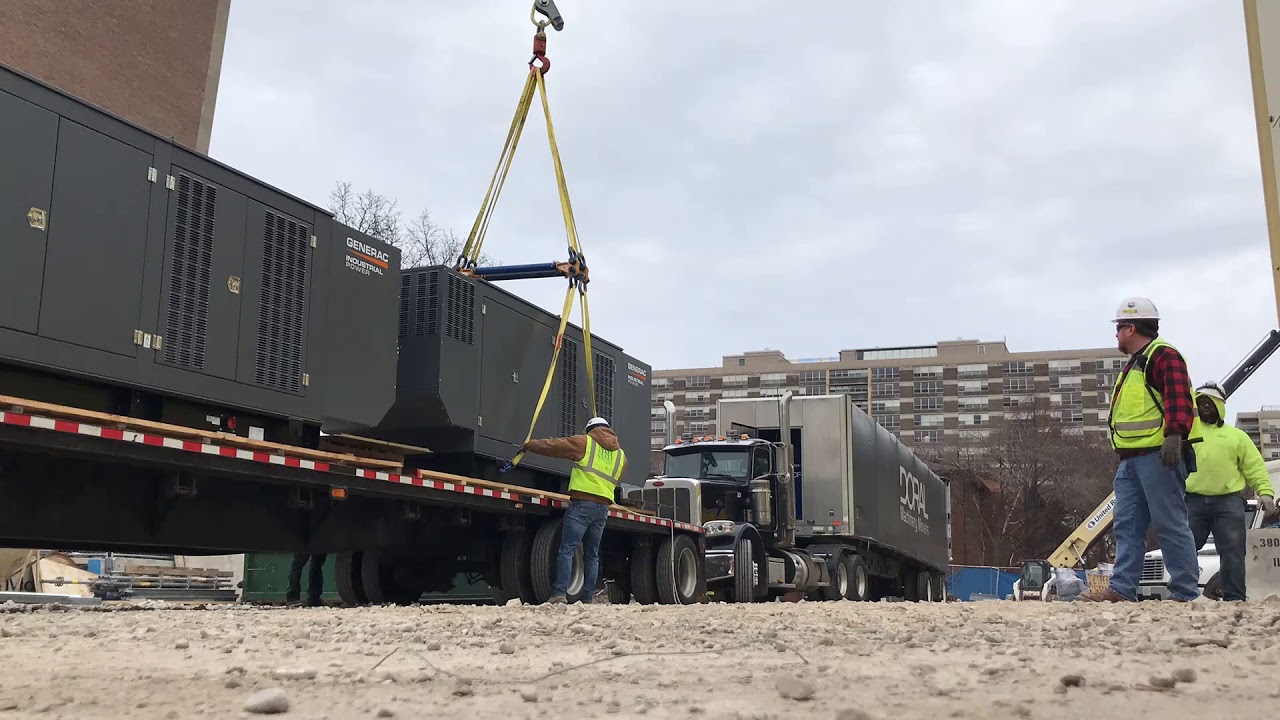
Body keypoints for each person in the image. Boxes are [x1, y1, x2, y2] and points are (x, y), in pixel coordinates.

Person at [1080, 297, 1203, 603]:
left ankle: (1185, 592)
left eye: (1119, 328)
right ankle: (1121, 589)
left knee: (1169, 523)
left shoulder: (1162, 356)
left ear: (1131, 327)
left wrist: (1175, 435)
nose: (1116, 334)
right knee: (1127, 526)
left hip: (1159, 456)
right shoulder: (1138, 362)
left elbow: (1178, 398)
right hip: (1132, 460)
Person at [1184, 381, 1275, 601]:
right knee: (1184, 549)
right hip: (1191, 501)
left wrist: (1265, 492)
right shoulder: (1186, 432)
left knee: (1233, 552)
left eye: (1211, 402)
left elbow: (1255, 466)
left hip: (1228, 503)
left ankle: (1234, 599)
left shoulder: (1237, 437)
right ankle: (1182, 594)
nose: (1205, 406)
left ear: (1220, 406)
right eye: (1201, 402)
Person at [520, 416, 627, 604]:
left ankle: (559, 593)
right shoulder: (621, 456)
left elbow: (554, 446)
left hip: (582, 505)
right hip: (603, 508)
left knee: (568, 549)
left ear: (590, 430)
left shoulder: (584, 442)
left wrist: (530, 445)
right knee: (592, 555)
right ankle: (587, 599)